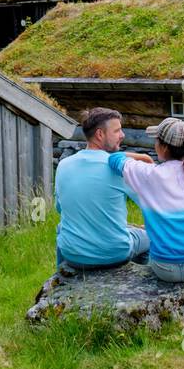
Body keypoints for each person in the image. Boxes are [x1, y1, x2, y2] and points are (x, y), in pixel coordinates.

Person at [106, 117, 184, 295]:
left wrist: (143, 157)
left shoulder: (147, 174)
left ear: (163, 147)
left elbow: (114, 159)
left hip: (163, 269)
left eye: (156, 140)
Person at [53, 108, 150, 271]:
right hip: (114, 254)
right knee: (152, 236)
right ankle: (153, 281)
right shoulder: (119, 168)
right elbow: (151, 206)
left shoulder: (64, 165)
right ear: (100, 134)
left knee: (62, 228)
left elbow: (60, 208)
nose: (123, 135)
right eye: (117, 130)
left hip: (73, 255)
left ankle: (61, 278)